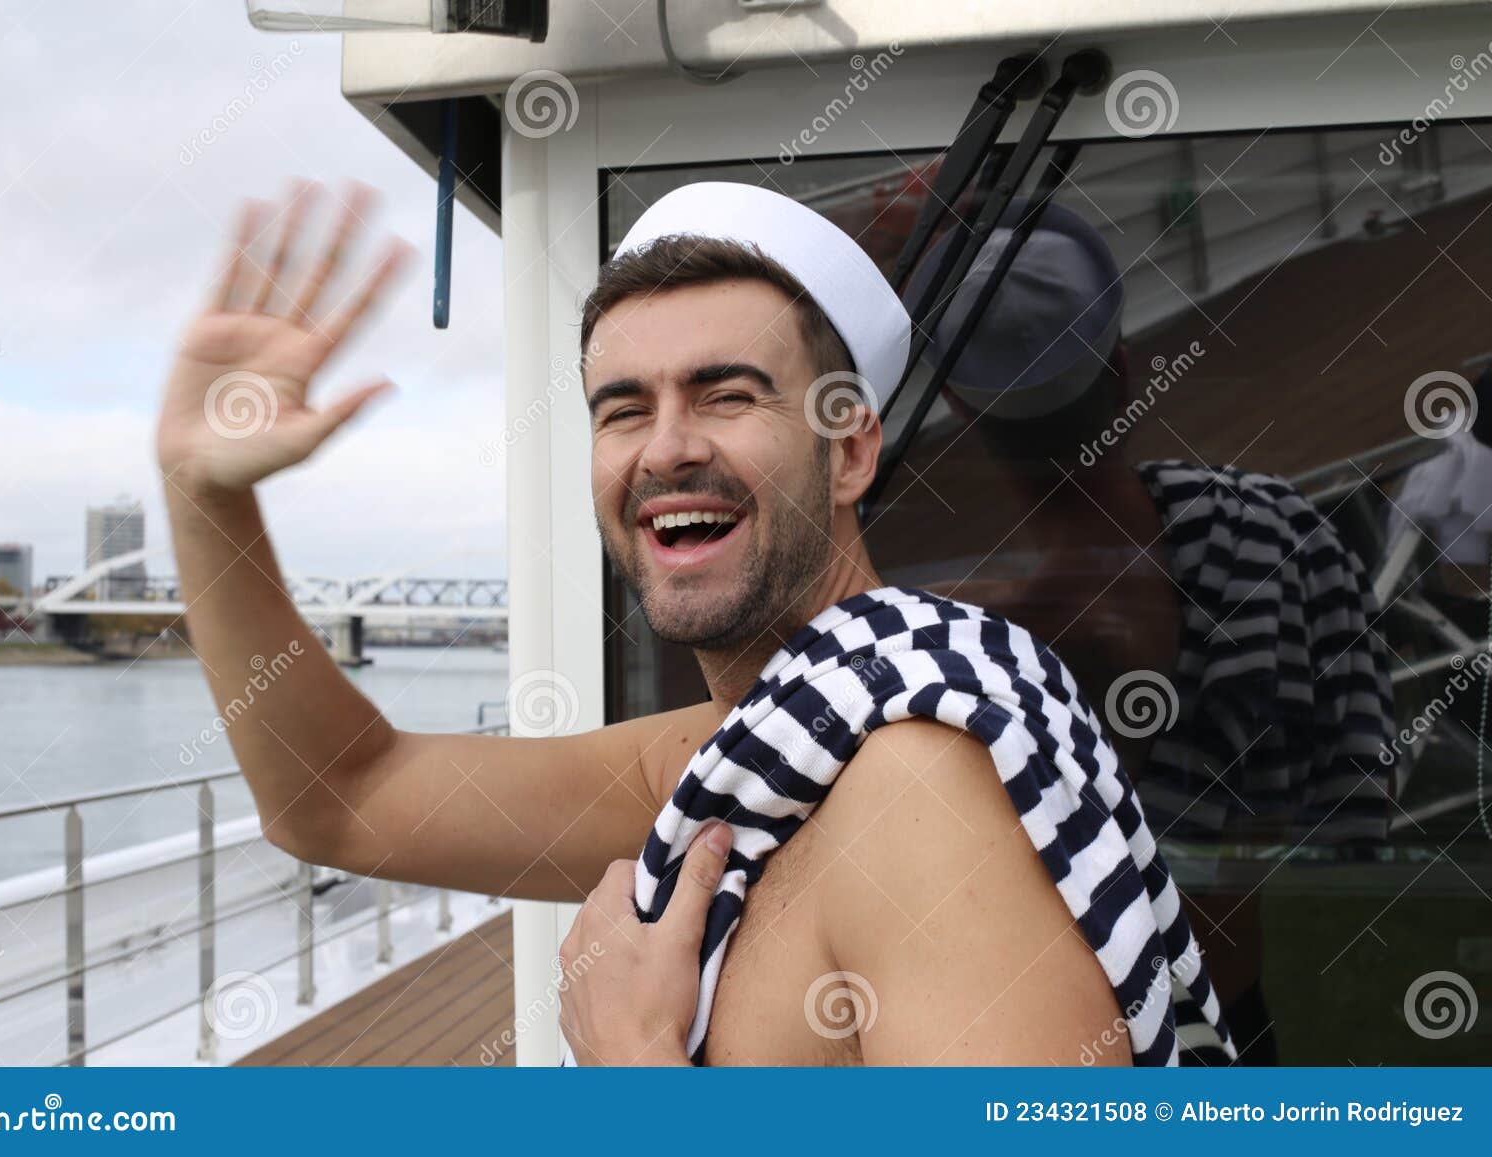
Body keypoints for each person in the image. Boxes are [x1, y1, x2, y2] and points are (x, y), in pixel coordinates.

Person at [155, 178, 1233, 1067]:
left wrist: (634, 1069)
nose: (664, 447)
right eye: (623, 407)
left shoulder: (917, 790)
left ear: (849, 448)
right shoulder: (730, 760)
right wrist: (203, 494)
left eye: (726, 395)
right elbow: (338, 799)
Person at [869, 201, 1397, 1064]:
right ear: (1122, 370)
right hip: (1249, 1021)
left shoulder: (960, 641)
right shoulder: (1280, 528)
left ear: (961, 410)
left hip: (1049, 1052)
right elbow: (1365, 782)